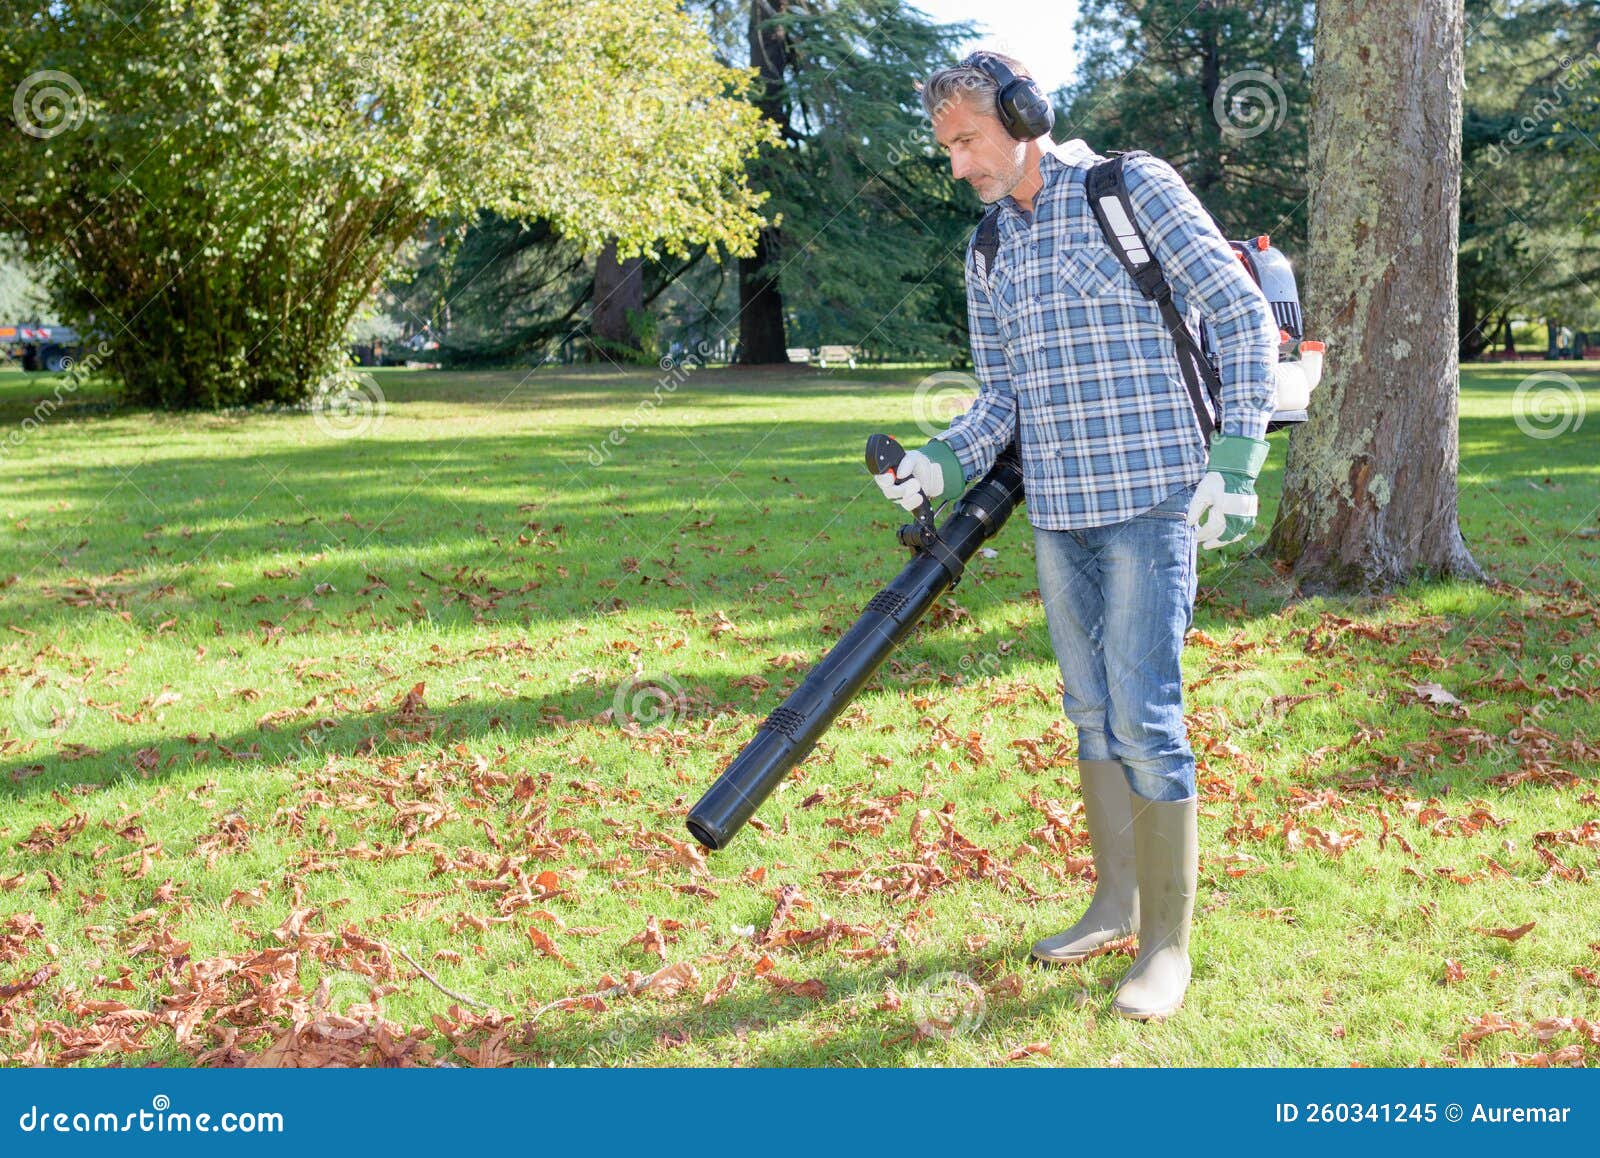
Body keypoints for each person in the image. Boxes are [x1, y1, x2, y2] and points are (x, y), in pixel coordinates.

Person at [876, 51, 1278, 1020]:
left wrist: (1235, 462)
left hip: (1153, 501)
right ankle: (1111, 902)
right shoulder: (986, 250)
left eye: (967, 138)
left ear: (1022, 114)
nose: (959, 162)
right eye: (947, 147)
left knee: (1145, 714)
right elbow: (1001, 401)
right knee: (1091, 711)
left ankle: (1167, 949)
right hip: (1059, 514)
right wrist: (939, 461)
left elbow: (1240, 312)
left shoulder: (1127, 189)